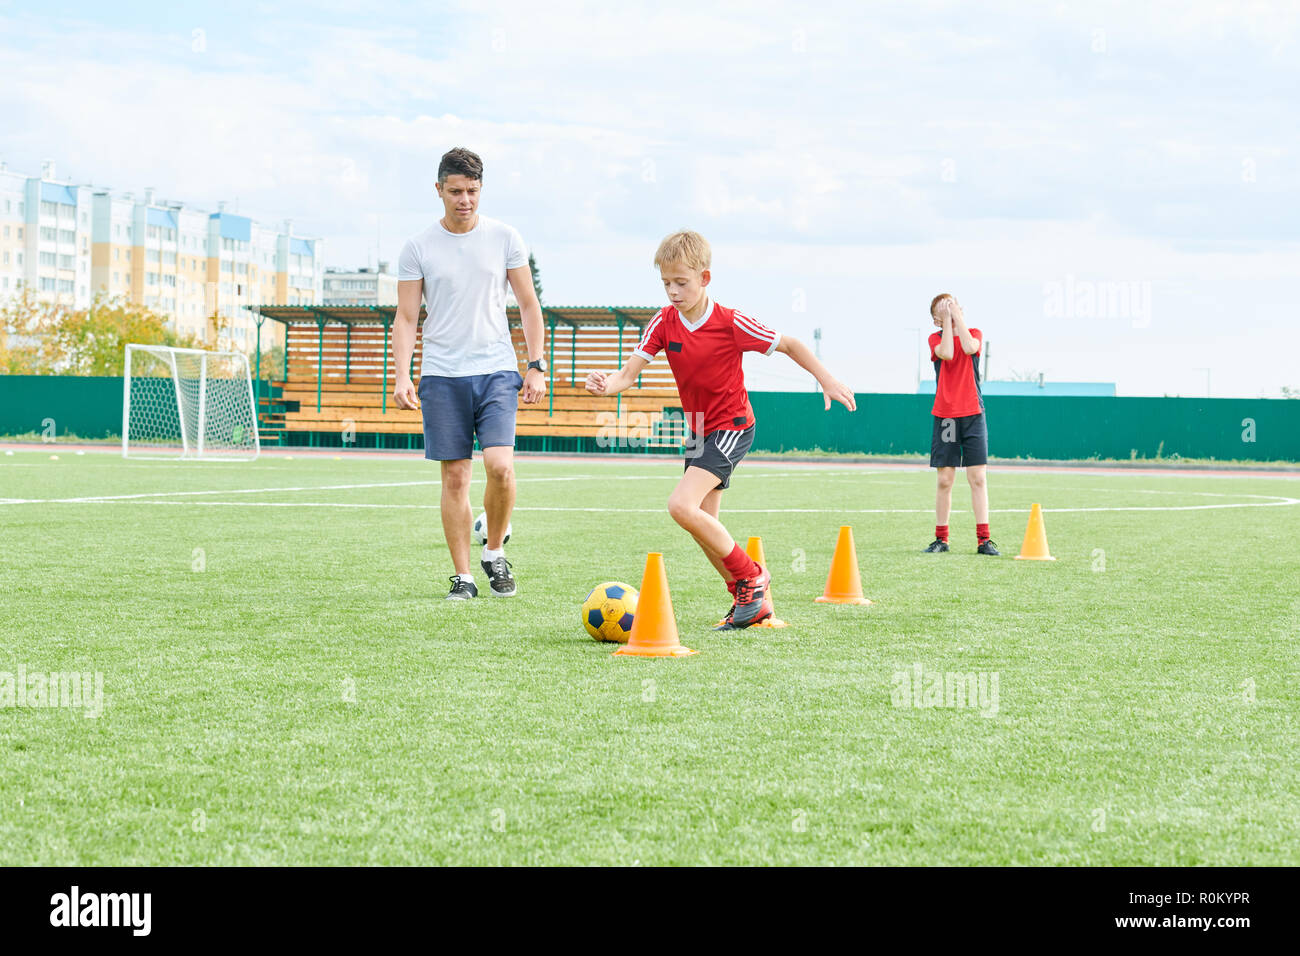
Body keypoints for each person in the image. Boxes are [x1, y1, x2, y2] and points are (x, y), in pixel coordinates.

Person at [586, 230, 856, 629]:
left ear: (705, 279)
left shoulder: (731, 322)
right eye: (666, 284)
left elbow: (791, 344)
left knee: (680, 507)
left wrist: (827, 380)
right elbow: (629, 373)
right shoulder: (663, 322)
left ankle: (752, 577)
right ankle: (749, 602)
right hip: (698, 430)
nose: (673, 292)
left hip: (731, 425)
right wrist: (607, 384)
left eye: (681, 283)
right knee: (704, 528)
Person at [393, 146, 548, 599]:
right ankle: (462, 577)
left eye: (473, 191)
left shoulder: (505, 238)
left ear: (482, 190)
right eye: (456, 191)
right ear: (439, 189)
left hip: (497, 370)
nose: (465, 200)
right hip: (442, 375)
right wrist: (403, 376)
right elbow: (406, 317)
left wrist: (535, 366)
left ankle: (494, 553)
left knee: (500, 468)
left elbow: (528, 304)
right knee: (456, 477)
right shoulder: (417, 247)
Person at [924, 293, 998, 555]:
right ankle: (941, 539)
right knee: (945, 479)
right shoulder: (935, 339)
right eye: (943, 310)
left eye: (953, 305)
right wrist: (946, 321)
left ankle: (984, 540)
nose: (951, 311)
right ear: (936, 320)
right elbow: (947, 352)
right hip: (946, 417)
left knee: (977, 477)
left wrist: (958, 318)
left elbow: (968, 348)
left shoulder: (973, 332)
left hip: (973, 414)